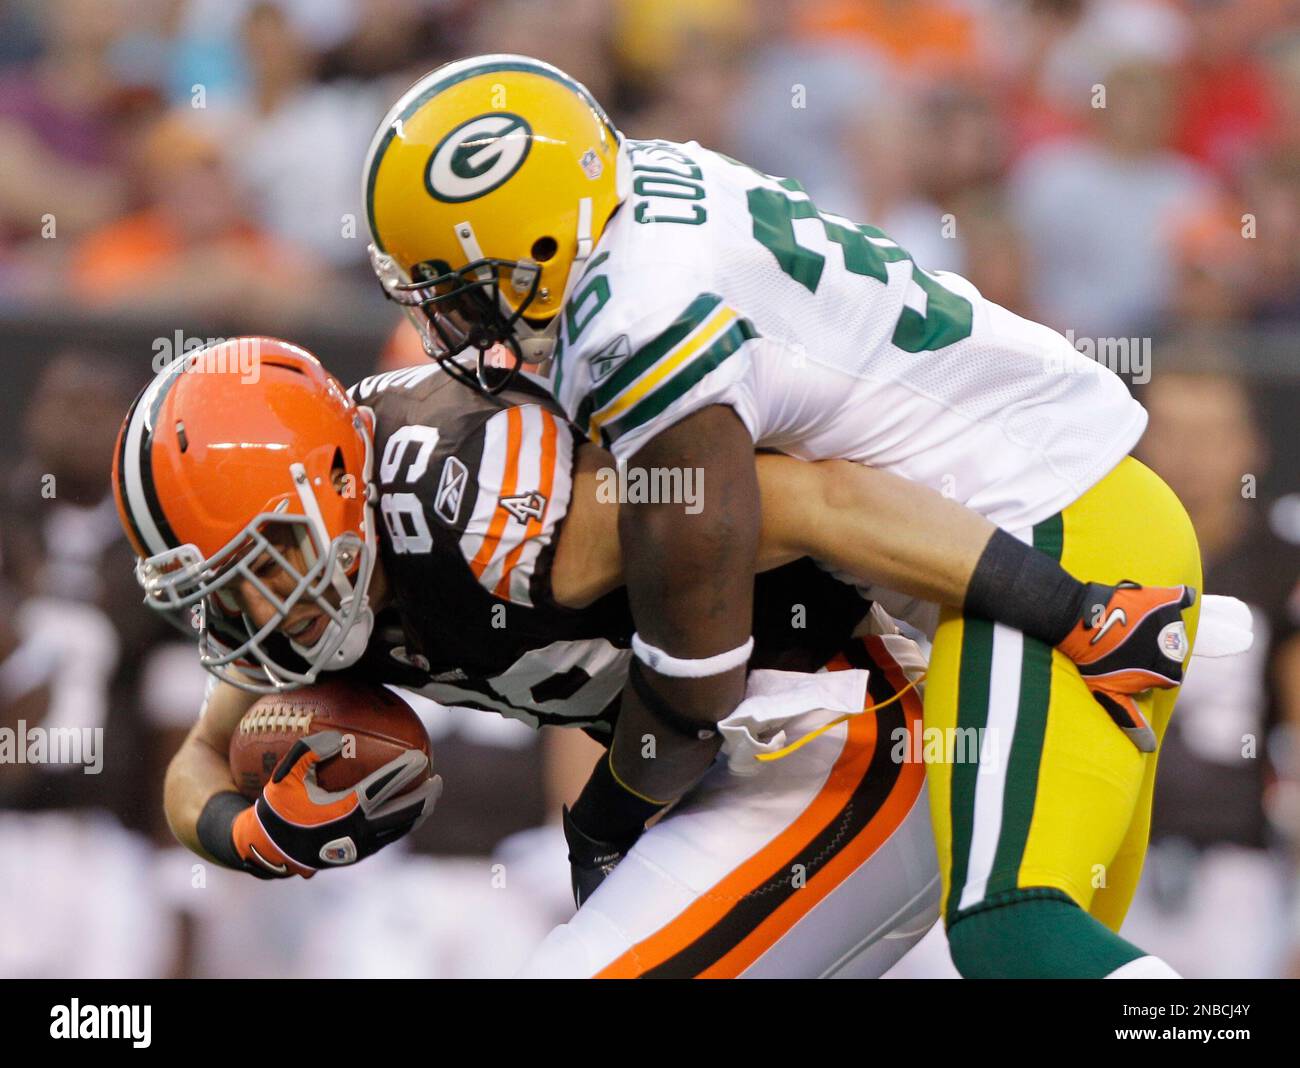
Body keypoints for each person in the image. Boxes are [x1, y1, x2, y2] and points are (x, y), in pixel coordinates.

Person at [361, 55, 1212, 978]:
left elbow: (696, 677)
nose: (454, 327)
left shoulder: (637, 322)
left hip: (1045, 530)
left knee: (1014, 933)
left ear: (541, 245)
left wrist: (607, 818)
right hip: (1046, 519)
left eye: (463, 289)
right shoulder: (624, 185)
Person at [114, 337, 1217, 977]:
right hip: (729, 762)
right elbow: (199, 762)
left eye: (268, 561)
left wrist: (1067, 606)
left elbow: (805, 498)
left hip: (845, 713)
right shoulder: (309, 581)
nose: (256, 606)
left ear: (342, 493)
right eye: (218, 586)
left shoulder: (490, 505)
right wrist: (245, 831)